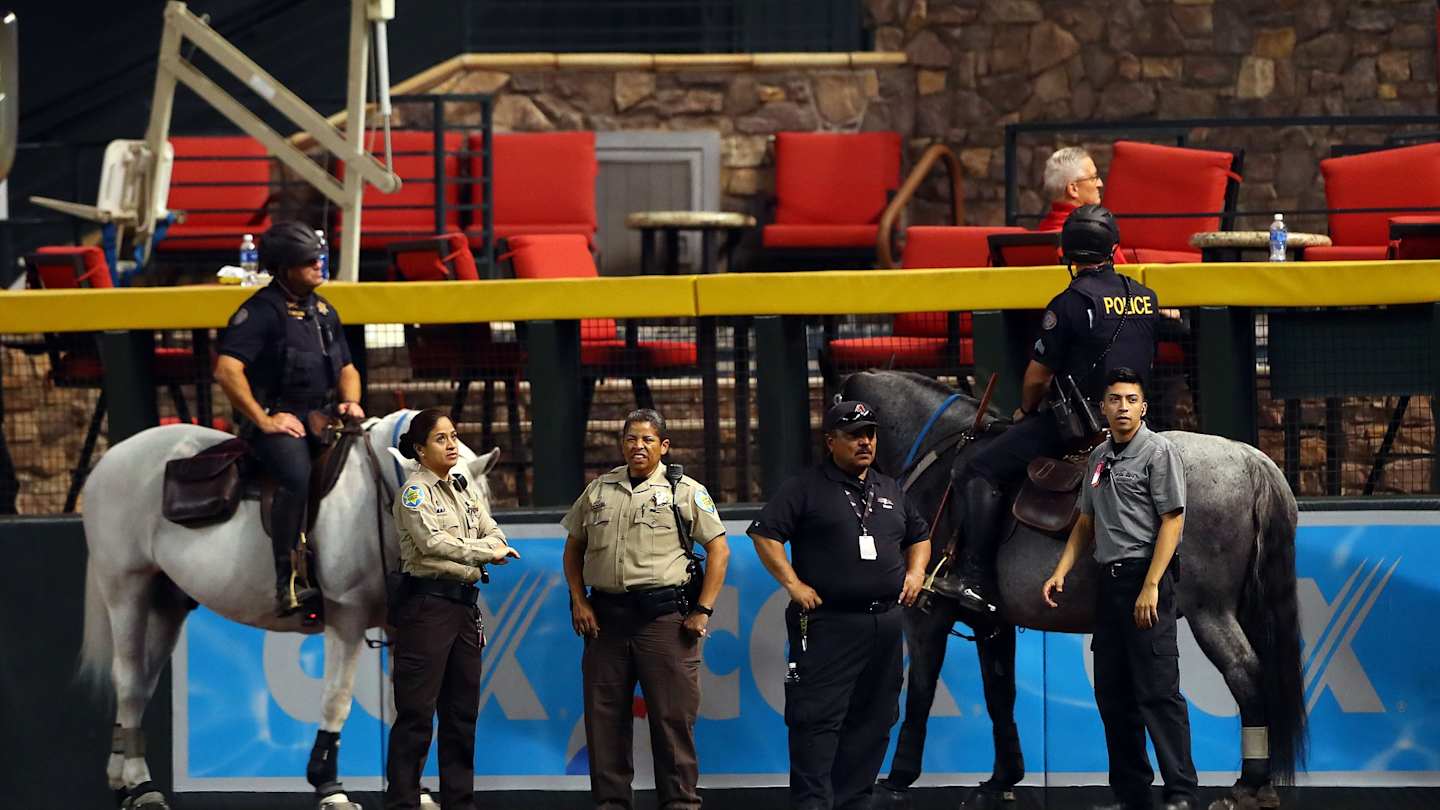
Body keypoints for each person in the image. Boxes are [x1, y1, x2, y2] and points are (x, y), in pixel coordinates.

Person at [931, 205, 1159, 616]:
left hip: (1079, 427)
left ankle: (974, 578)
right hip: (1135, 421)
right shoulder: (1145, 298)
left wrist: (1024, 411)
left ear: (1068, 255)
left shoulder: (1068, 304)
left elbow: (1037, 377)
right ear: (1115, 248)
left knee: (976, 468)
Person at [748, 401, 931, 810]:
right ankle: (813, 804)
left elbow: (920, 535)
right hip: (828, 624)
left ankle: (854, 802)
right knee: (816, 720)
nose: (865, 441)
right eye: (854, 435)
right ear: (831, 441)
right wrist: (792, 583)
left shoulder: (888, 488)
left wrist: (916, 574)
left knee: (876, 718)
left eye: (870, 433)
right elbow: (764, 533)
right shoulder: (805, 487)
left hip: (885, 622)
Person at [1042, 368, 1197, 810]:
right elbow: (1085, 522)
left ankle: (1182, 794)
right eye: (1115, 400)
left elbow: (1173, 519)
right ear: (1103, 407)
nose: (1123, 408)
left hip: (1146, 580)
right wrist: (1062, 570)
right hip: (1107, 587)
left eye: (1131, 400)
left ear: (1143, 407)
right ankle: (1132, 796)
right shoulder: (1098, 457)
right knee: (1113, 695)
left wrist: (1151, 585)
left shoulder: (1159, 452)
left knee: (1158, 692)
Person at [561, 408, 730, 810]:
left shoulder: (684, 490)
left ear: (664, 446)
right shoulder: (598, 490)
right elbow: (573, 548)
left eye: (648, 440)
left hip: (664, 622)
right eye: (631, 439)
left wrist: (703, 610)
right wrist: (578, 600)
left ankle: (681, 804)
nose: (638, 447)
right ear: (623, 444)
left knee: (673, 724)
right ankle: (611, 805)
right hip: (605, 622)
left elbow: (719, 550)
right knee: (604, 726)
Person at [214, 221, 364, 617]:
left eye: (320, 256)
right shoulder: (260, 312)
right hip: (279, 421)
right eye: (309, 260)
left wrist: (350, 402)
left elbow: (347, 367)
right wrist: (264, 420)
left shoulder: (325, 310)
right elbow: (228, 370)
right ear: (284, 267)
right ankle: (291, 580)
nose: (320, 264)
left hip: (324, 416)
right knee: (296, 477)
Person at [387, 408, 519, 810]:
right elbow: (432, 543)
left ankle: (460, 802)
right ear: (420, 450)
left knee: (462, 715)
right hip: (426, 608)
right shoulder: (414, 492)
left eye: (453, 436)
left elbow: (492, 528)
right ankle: (403, 803)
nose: (451, 445)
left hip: (464, 608)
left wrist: (488, 546)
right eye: (441, 439)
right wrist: (486, 553)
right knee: (416, 716)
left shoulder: (463, 488)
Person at [1033, 147, 1128, 264]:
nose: (1100, 183)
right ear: (1073, 189)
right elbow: (1123, 277)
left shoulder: (1039, 237)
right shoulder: (1097, 235)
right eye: (1093, 178)